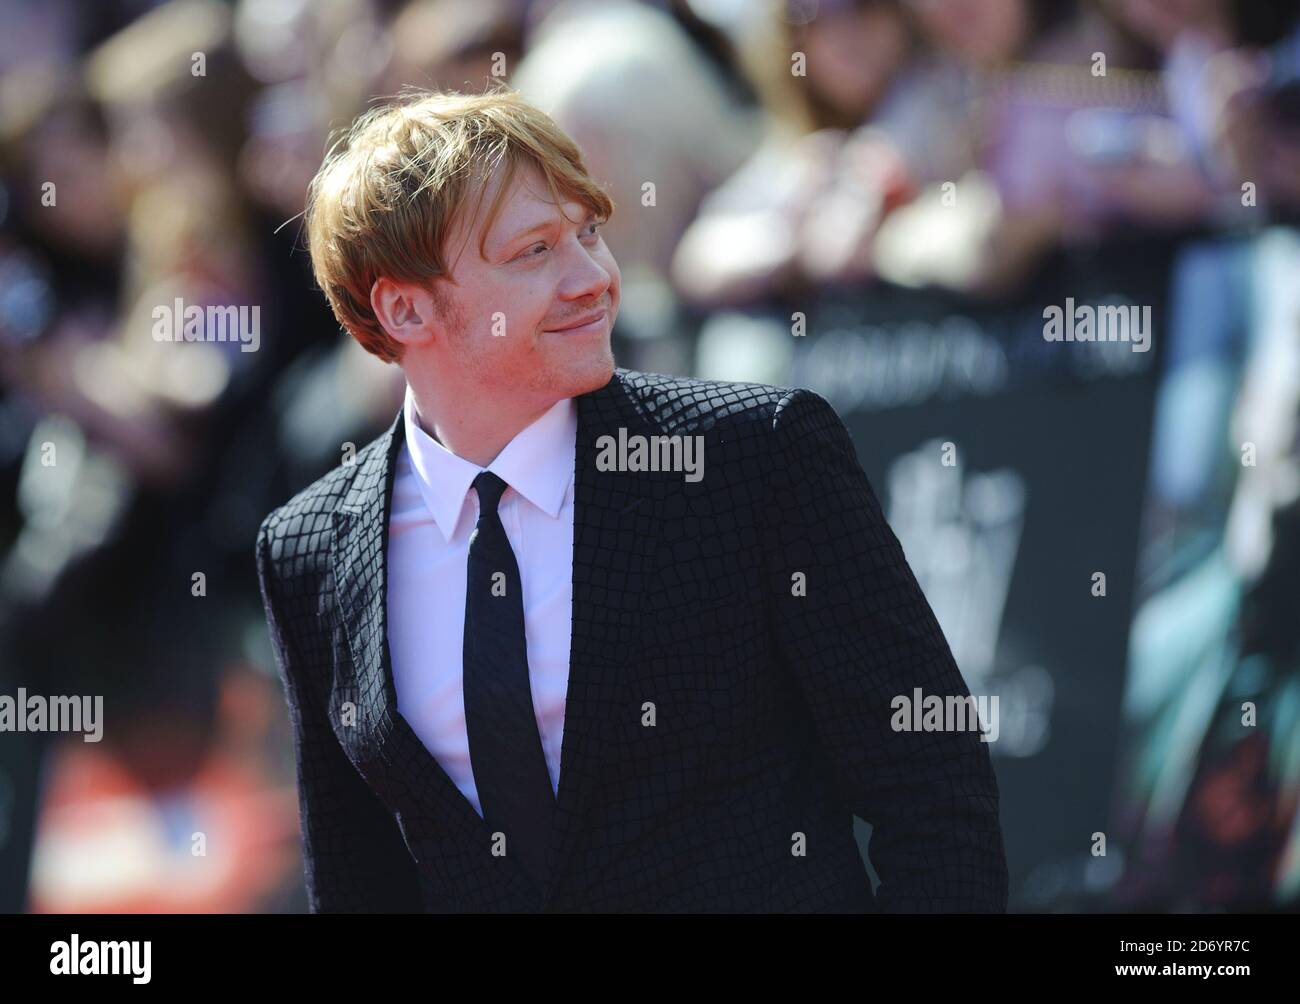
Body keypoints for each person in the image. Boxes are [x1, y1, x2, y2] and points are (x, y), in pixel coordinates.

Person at [254, 86, 1008, 913]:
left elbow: (932, 777)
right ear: (405, 306)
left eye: (590, 233)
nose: (595, 279)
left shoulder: (753, 458)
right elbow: (356, 881)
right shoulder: (310, 551)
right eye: (535, 251)